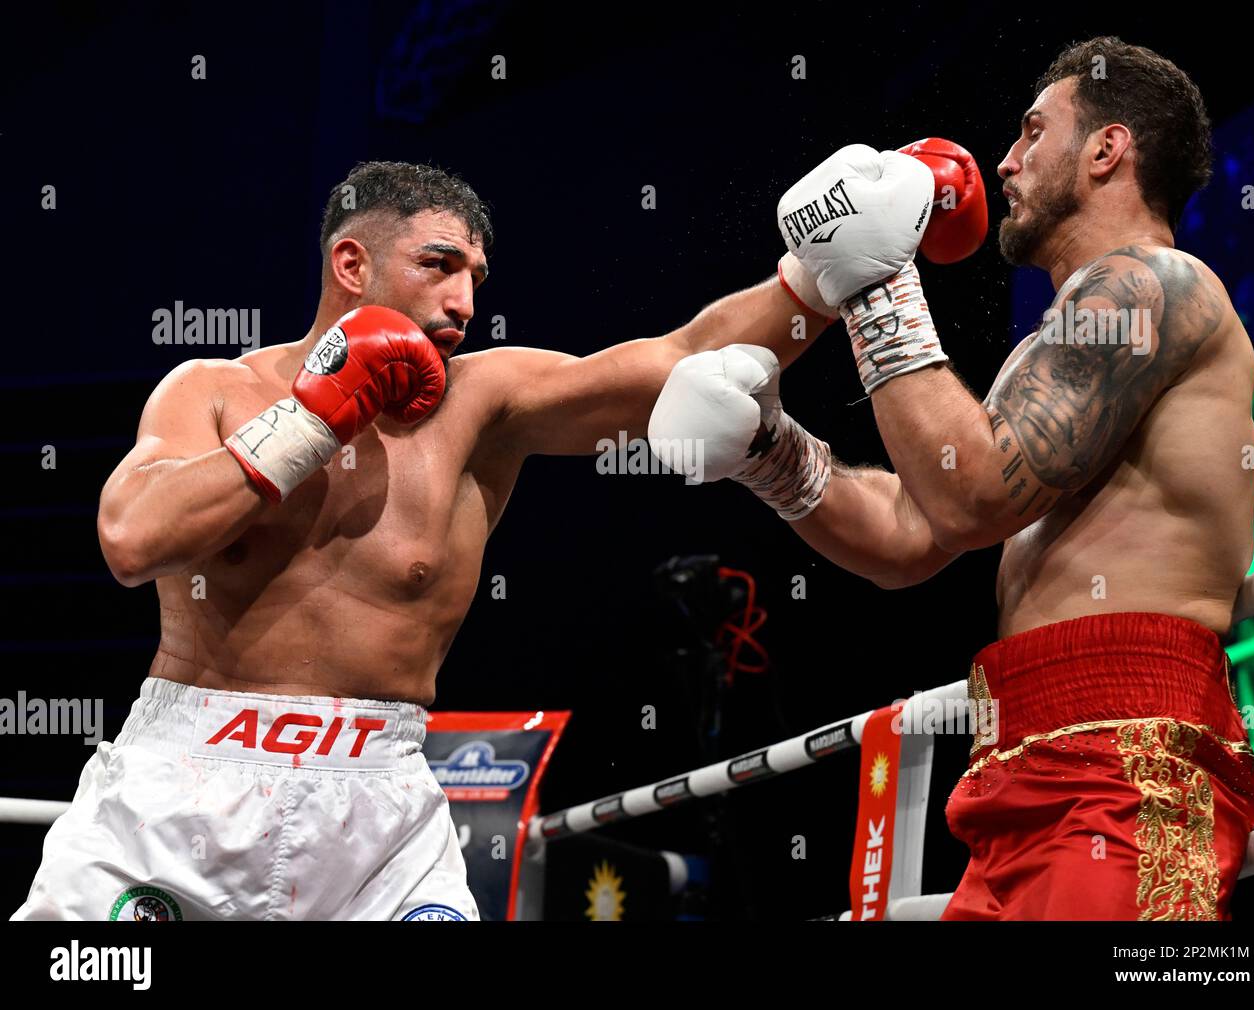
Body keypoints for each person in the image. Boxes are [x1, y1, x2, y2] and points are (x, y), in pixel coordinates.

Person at [14, 159, 842, 921]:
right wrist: (309, 422)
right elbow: (130, 538)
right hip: (182, 780)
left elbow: (686, 357)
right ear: (351, 266)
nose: (464, 305)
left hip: (379, 811)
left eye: (476, 278)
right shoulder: (214, 390)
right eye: (438, 266)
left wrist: (823, 271)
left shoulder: (485, 405)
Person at [650, 37, 1254, 920]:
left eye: (1032, 131)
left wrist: (879, 278)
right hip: (1017, 763)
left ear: (1107, 150)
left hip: (1133, 756)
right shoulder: (1044, 354)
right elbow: (909, 535)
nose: (1005, 160)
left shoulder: (1159, 288)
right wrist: (769, 452)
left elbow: (976, 494)